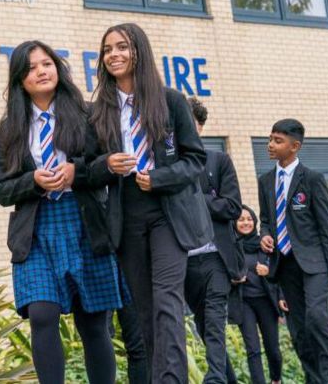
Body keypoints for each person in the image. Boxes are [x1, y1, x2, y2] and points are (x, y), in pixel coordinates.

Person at [0, 40, 122, 384]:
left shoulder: (88, 114)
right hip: (35, 232)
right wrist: (33, 180)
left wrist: (75, 173)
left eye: (46, 64)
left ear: (57, 69)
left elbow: (107, 166)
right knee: (42, 315)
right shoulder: (11, 128)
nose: (41, 71)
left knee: (93, 322)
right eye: (31, 68)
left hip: (84, 225)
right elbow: (2, 190)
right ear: (21, 79)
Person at [87, 22, 210, 383]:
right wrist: (106, 164)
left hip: (168, 213)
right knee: (145, 310)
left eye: (122, 47)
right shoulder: (100, 111)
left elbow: (195, 159)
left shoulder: (170, 100)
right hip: (127, 216)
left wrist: (159, 177)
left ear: (138, 51)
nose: (114, 55)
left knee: (167, 301)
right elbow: (87, 170)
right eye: (108, 49)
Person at [258, 118, 328, 384]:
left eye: (278, 141)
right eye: (270, 139)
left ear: (295, 146)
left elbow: (327, 226)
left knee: (317, 319)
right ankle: (314, 379)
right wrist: (265, 235)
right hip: (285, 263)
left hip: (315, 262)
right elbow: (265, 219)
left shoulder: (313, 179)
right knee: (299, 329)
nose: (271, 145)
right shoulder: (265, 180)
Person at [183, 97, 242, 383]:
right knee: (205, 326)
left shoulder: (219, 161)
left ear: (201, 127)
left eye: (189, 123)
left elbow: (232, 206)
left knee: (215, 322)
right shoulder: (165, 165)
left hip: (216, 257)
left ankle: (215, 379)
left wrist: (194, 198)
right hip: (183, 259)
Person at [227, 205, 283, 384]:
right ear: (235, 223)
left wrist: (268, 271)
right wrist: (232, 279)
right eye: (241, 219)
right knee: (253, 349)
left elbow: (280, 271)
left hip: (266, 301)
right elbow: (222, 273)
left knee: (272, 348)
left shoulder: (265, 244)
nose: (245, 223)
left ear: (255, 221)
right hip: (244, 302)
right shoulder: (230, 247)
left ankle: (276, 379)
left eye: (249, 219)